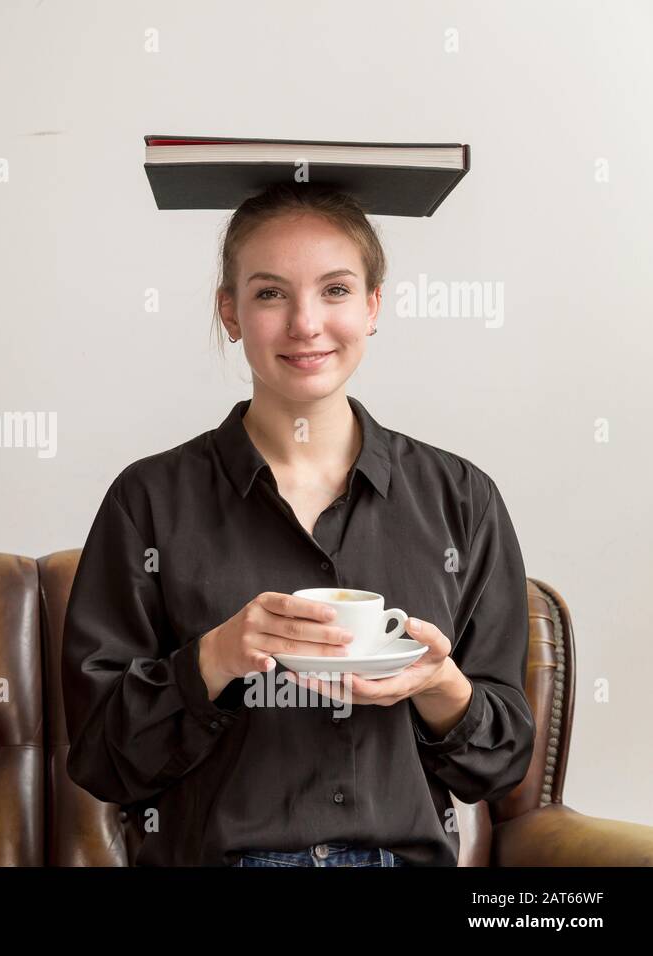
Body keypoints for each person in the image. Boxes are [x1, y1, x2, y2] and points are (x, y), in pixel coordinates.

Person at [61, 182, 536, 867]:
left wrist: (439, 685)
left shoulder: (460, 499)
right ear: (230, 312)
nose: (306, 323)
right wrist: (214, 659)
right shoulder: (149, 500)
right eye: (269, 293)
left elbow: (502, 764)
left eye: (336, 290)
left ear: (374, 305)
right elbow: (102, 761)